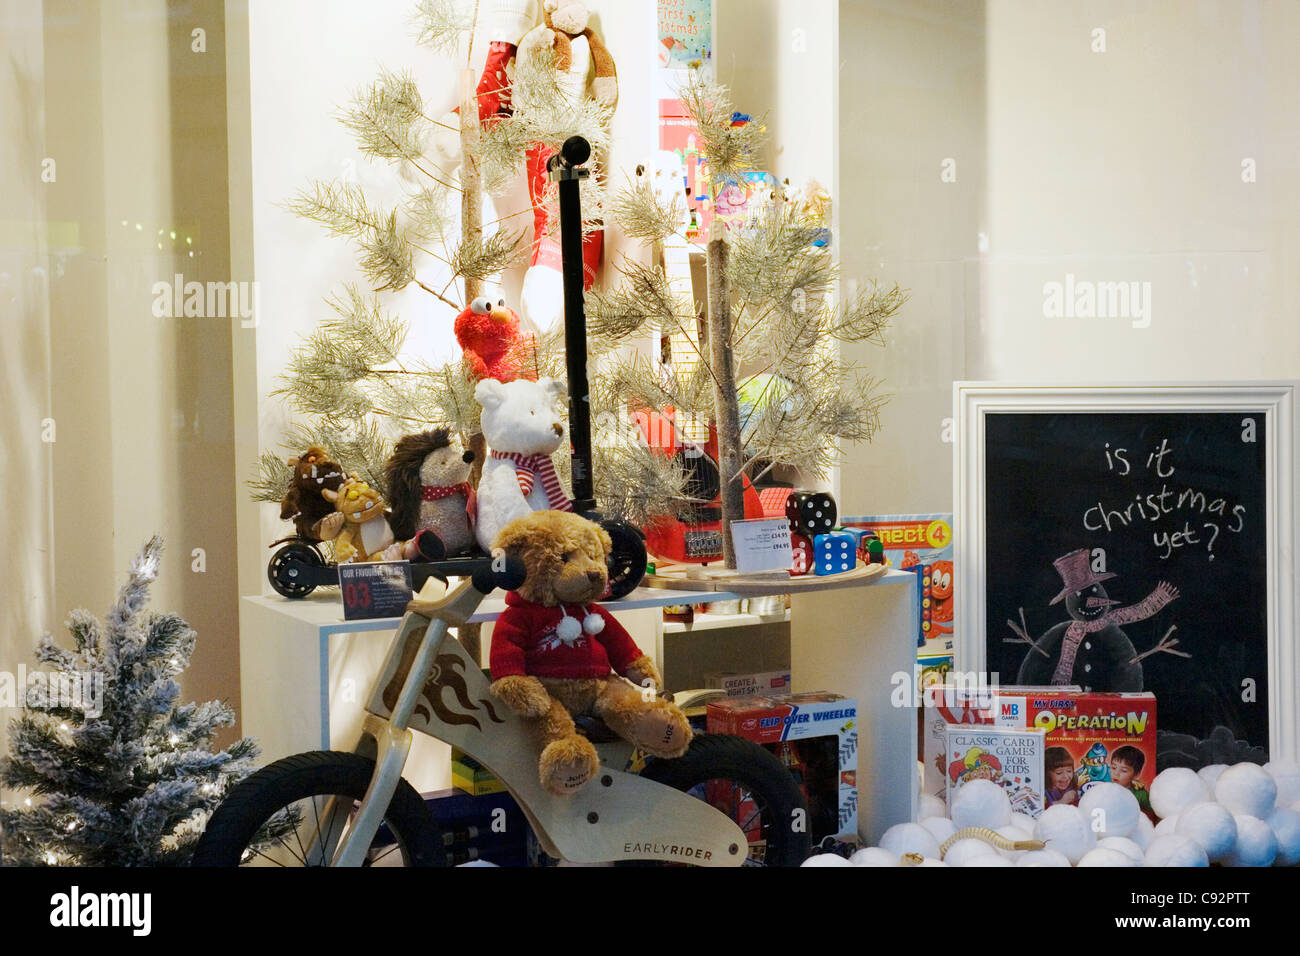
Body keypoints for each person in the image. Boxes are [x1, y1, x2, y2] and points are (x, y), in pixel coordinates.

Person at [1109, 745, 1152, 814]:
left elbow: (1155, 812)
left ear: (1136, 775)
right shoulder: (1105, 789)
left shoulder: (1140, 794)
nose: (1116, 773)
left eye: (1123, 770)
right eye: (1113, 767)